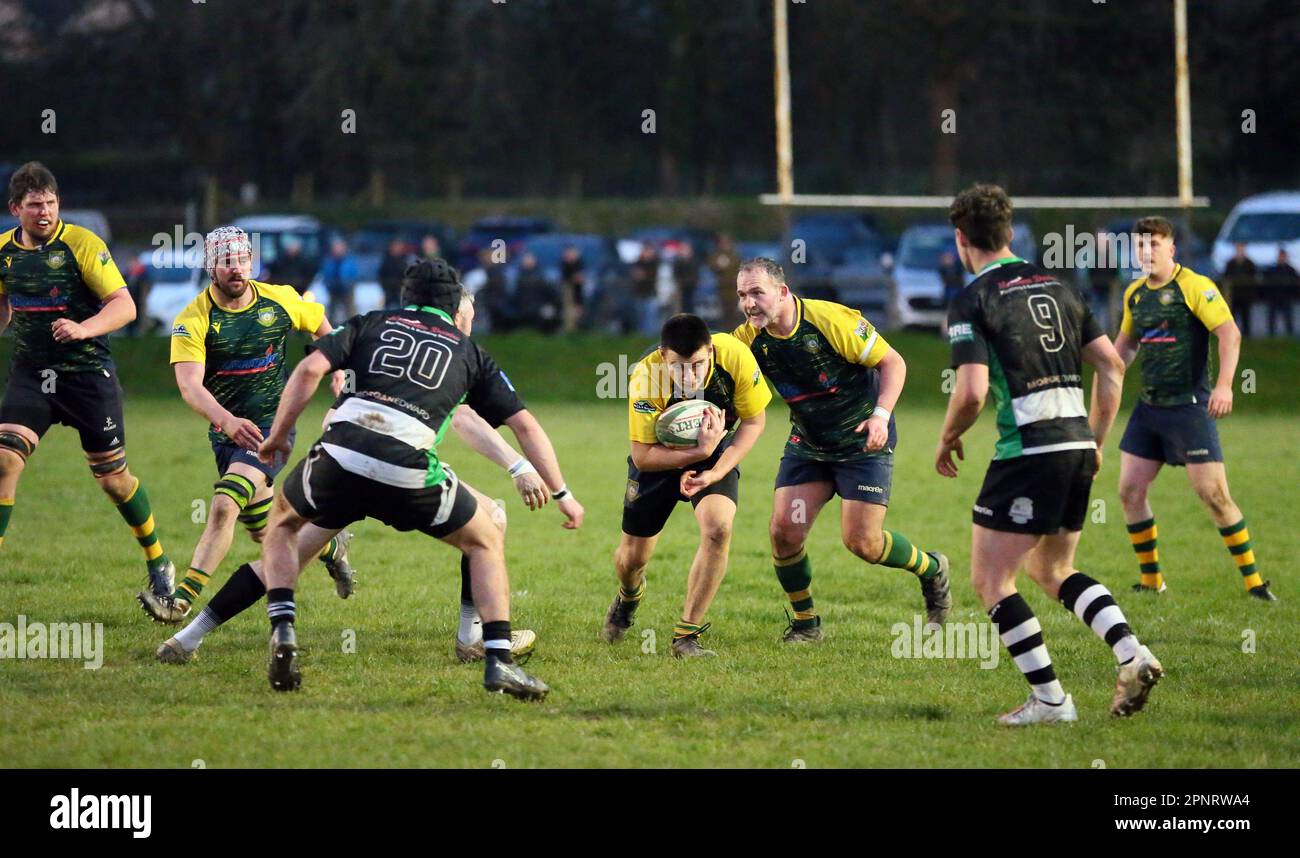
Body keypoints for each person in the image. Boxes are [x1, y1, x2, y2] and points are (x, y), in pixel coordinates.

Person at [153, 287, 584, 666]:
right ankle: (477, 641)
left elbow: (331, 395)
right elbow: (470, 420)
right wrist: (524, 469)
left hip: (339, 468)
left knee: (283, 553)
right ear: (454, 316)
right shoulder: (451, 351)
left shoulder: (377, 333)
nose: (468, 329)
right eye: (467, 321)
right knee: (491, 522)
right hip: (400, 476)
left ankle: (188, 638)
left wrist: (288, 436)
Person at [254, 258, 563, 697]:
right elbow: (523, 425)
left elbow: (307, 371)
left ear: (405, 295)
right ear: (455, 305)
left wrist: (278, 437)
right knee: (486, 536)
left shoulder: (369, 322)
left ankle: (283, 627)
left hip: (338, 451)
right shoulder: (468, 350)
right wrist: (562, 491)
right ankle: (497, 661)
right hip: (404, 464)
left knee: (281, 524)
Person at [937, 183, 1161, 725]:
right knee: (1053, 566)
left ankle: (1052, 702)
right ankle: (1133, 653)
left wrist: (946, 438)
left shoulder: (973, 298)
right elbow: (1111, 367)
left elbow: (968, 392)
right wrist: (1097, 440)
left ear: (962, 240)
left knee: (992, 581)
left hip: (1028, 451)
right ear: (1011, 232)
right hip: (1077, 445)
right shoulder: (1062, 287)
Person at [137, 226, 355, 627]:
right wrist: (226, 421)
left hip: (273, 426)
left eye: (241, 261)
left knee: (223, 505)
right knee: (269, 532)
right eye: (225, 262)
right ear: (211, 267)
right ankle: (330, 548)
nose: (235, 269)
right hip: (227, 434)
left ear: (252, 263)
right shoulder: (193, 320)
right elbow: (189, 386)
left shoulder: (279, 300)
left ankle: (179, 602)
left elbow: (324, 325)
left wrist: (337, 367)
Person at [732, 258, 951, 643]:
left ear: (782, 293)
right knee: (784, 532)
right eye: (742, 295)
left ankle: (932, 568)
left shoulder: (831, 320)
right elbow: (727, 381)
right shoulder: (747, 340)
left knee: (863, 543)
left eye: (756, 293)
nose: (749, 303)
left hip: (864, 440)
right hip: (810, 444)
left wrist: (881, 416)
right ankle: (806, 625)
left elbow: (892, 362)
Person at [0, 162, 176, 597]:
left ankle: (157, 558)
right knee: (4, 459)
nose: (45, 212)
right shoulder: (3, 251)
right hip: (32, 372)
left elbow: (123, 305)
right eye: (35, 205)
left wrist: (83, 328)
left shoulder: (82, 243)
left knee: (113, 480)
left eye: (51, 203)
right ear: (15, 208)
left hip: (85, 376)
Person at [1114, 216, 1274, 601]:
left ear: (1171, 249)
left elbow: (1229, 333)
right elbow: (1126, 345)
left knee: (1213, 495)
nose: (1145, 252)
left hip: (1189, 408)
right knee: (1130, 491)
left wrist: (1224, 386)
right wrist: (1105, 366)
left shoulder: (1195, 286)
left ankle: (1254, 585)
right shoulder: (1134, 293)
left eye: (1153, 245)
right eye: (1140, 246)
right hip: (1149, 409)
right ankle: (1152, 581)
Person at [602, 314, 769, 657]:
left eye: (697, 365)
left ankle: (686, 636)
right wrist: (694, 452)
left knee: (718, 529)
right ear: (664, 356)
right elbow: (644, 456)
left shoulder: (734, 356)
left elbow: (754, 421)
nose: (690, 376)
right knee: (632, 559)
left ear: (711, 350)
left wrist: (714, 468)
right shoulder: (646, 377)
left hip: (713, 450)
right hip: (660, 456)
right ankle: (629, 595)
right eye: (679, 367)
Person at [1221, 242, 1257, 336]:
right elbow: (1226, 278)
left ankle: (1247, 335)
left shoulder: (1249, 264)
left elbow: (1253, 278)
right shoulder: (1230, 264)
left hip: (1245, 295)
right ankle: (1233, 335)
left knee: (1246, 316)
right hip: (1234, 295)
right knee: (1233, 317)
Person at [320, 235, 358, 324]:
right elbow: (325, 274)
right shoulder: (329, 261)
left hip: (346, 289)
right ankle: (330, 332)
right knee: (332, 313)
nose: (338, 250)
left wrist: (349, 284)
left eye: (339, 247)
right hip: (333, 289)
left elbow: (354, 274)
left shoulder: (350, 260)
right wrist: (328, 285)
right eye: (336, 248)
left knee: (350, 312)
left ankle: (353, 330)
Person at [707, 234, 743, 330]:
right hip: (722, 287)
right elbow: (712, 265)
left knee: (734, 311)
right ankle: (725, 329)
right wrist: (719, 265)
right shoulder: (717, 255)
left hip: (734, 287)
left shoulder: (734, 255)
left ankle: (735, 329)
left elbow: (740, 267)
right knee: (724, 311)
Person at [1261, 247, 1298, 337]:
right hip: (1274, 298)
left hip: (1286, 298)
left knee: (1288, 318)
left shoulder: (1291, 270)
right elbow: (1265, 283)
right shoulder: (1271, 270)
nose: (1282, 258)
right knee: (1272, 318)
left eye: (1283, 256)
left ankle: (1290, 336)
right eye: (1280, 256)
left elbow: (1295, 284)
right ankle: (1271, 336)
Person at [630, 243, 661, 335]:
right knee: (640, 315)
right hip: (639, 294)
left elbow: (652, 277)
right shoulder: (638, 263)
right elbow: (635, 276)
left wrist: (643, 275)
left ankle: (649, 335)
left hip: (651, 293)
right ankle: (641, 334)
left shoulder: (655, 264)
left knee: (651, 316)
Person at [559, 244, 586, 333]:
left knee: (577, 312)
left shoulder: (580, 264)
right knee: (569, 312)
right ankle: (569, 330)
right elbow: (567, 278)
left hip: (578, 292)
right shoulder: (564, 265)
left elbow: (581, 279)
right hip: (569, 291)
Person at [378, 237, 410, 310]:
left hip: (401, 290)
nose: (396, 248)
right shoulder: (386, 259)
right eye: (395, 246)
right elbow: (381, 274)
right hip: (388, 290)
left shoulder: (405, 259)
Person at [671, 243, 701, 316]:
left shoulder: (694, 261)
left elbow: (695, 274)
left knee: (691, 305)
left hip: (691, 287)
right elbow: (676, 274)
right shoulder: (678, 262)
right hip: (681, 287)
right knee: (681, 306)